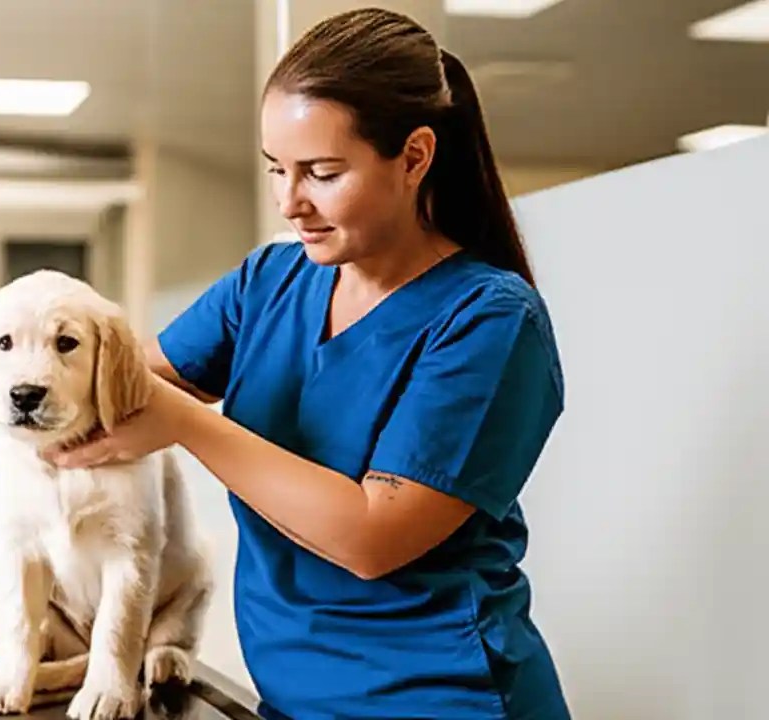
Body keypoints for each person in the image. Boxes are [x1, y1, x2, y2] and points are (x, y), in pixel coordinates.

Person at [47, 7, 570, 720]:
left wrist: (188, 424)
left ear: (415, 157)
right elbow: (115, 396)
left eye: (322, 173)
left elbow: (370, 538)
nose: (291, 202)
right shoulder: (269, 283)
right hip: (290, 701)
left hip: (440, 702)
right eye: (276, 170)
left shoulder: (489, 320)